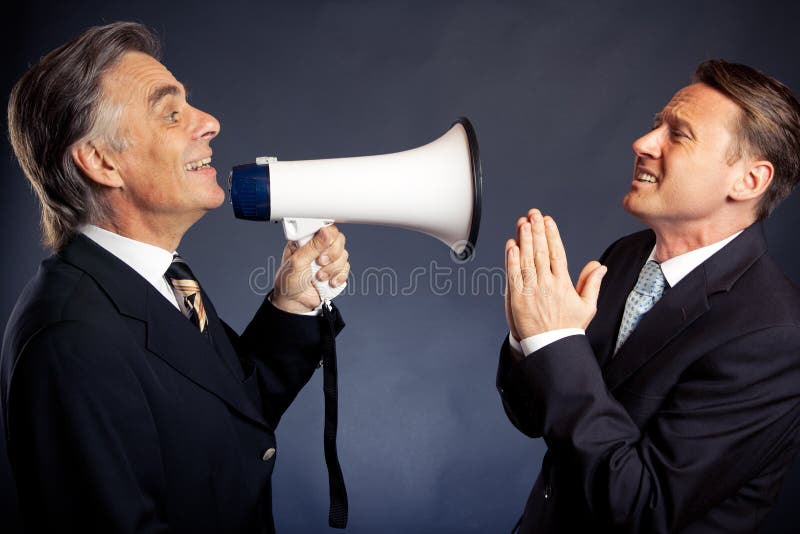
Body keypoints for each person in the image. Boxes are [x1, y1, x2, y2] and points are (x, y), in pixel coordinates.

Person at [1, 22, 351, 533]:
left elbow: (227, 420)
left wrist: (290, 304)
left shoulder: (160, 279)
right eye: (171, 113)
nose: (210, 122)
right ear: (101, 161)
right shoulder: (70, 342)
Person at [499, 60, 800, 532]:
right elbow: (537, 418)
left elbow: (643, 506)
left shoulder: (775, 336)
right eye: (655, 125)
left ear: (749, 181)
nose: (642, 144)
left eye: (678, 134)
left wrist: (555, 341)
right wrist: (530, 340)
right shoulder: (626, 256)